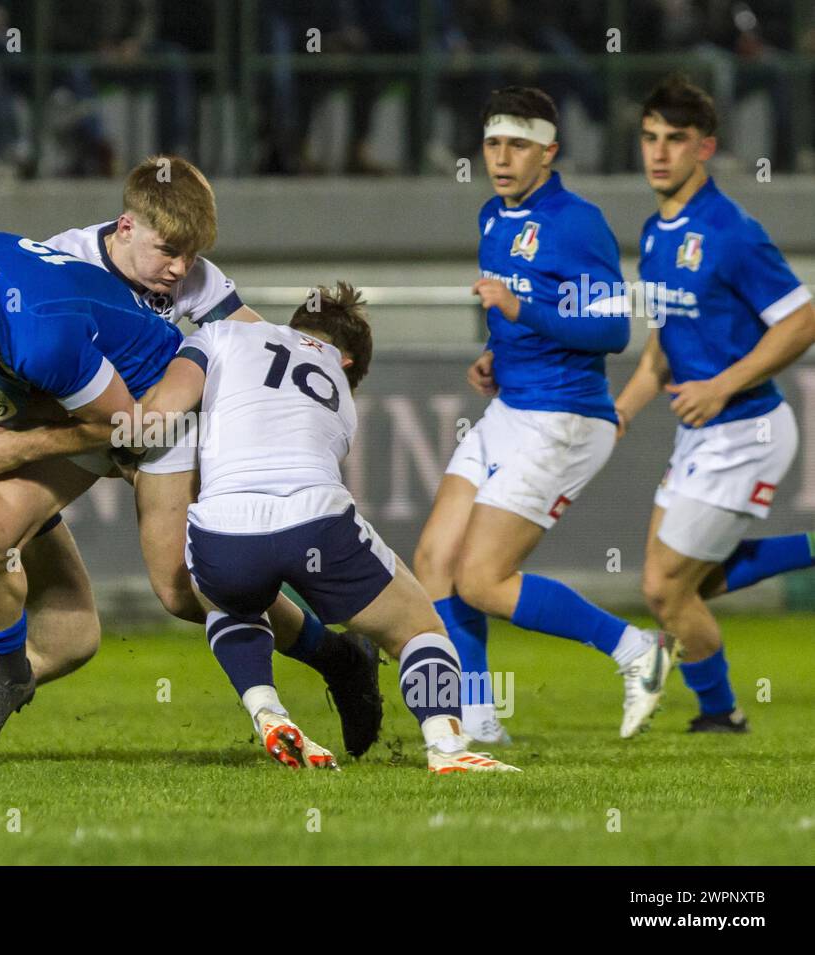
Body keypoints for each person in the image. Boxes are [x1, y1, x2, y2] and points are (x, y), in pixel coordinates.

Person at [0, 158, 381, 765]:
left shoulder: (180, 283)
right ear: (125, 227)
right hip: (81, 416)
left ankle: (337, 657)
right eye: (169, 252)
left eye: (190, 254)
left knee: (186, 591)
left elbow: (227, 367)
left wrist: (324, 369)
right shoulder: (55, 259)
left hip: (157, 422)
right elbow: (8, 372)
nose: (180, 269)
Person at [135, 282, 518, 773]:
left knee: (228, 599)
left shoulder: (221, 334)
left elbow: (161, 411)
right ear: (351, 361)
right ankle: (446, 745)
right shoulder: (338, 384)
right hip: (314, 517)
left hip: (224, 523)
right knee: (419, 629)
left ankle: (267, 711)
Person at [412, 86, 672, 744]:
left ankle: (636, 647)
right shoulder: (493, 216)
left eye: (518, 145)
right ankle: (477, 715)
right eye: (493, 143)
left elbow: (612, 329)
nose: (501, 157)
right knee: (435, 559)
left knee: (481, 578)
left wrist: (521, 312)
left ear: (549, 151)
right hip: (512, 403)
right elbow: (517, 309)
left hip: (565, 417)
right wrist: (494, 352)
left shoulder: (574, 222)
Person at [615, 75, 815, 733]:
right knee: (682, 583)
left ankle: (720, 713)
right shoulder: (653, 230)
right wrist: (619, 411)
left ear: (706, 148)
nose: (659, 152)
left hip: (747, 425)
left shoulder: (731, 231)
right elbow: (661, 347)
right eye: (649, 138)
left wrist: (722, 384)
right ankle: (718, 710)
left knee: (663, 587)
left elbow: (801, 319)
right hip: (701, 428)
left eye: (676, 140)